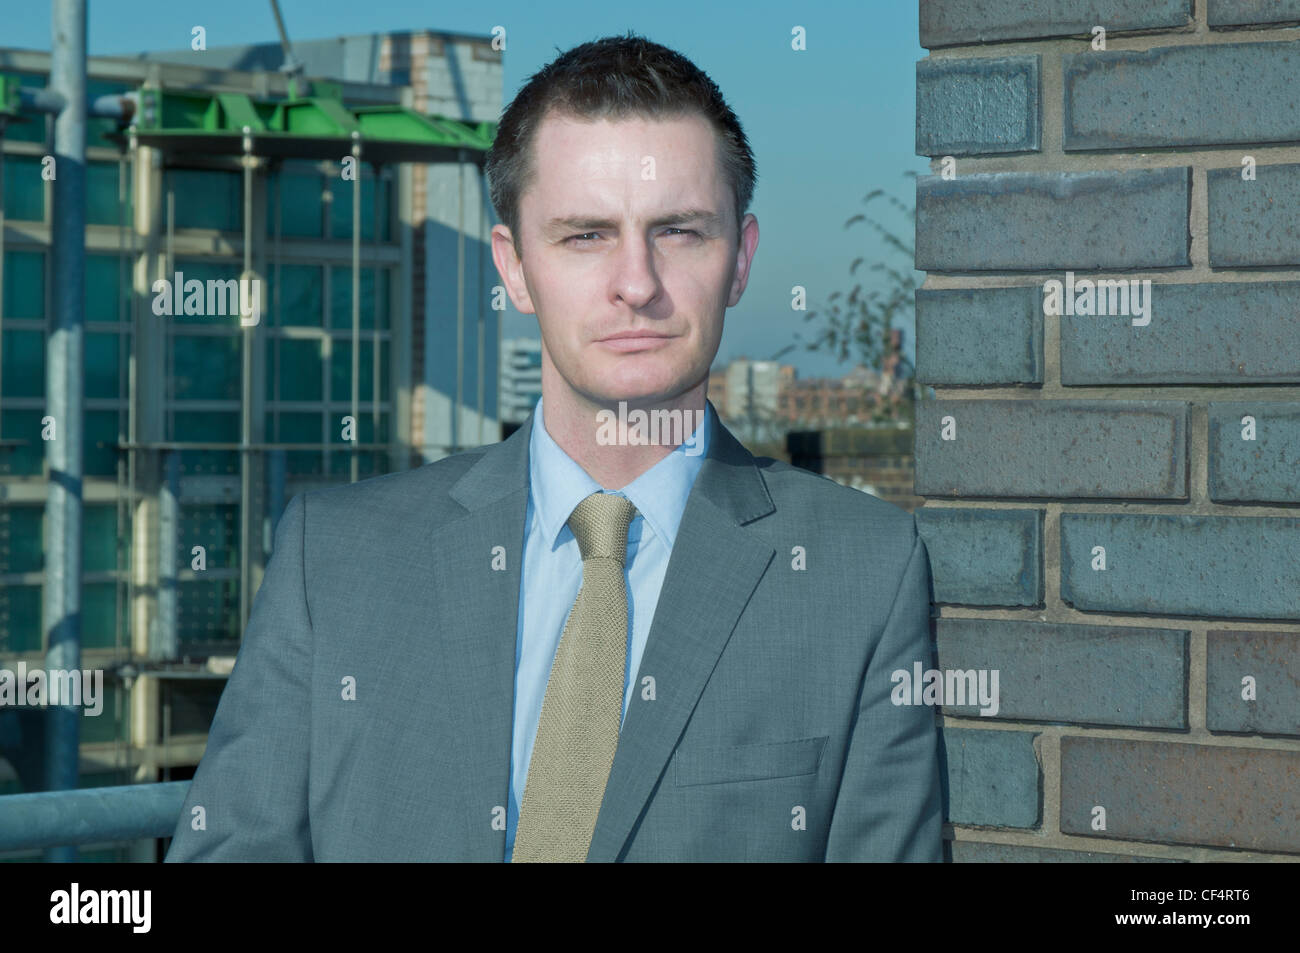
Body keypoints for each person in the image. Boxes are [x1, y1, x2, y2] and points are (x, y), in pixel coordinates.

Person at [165, 31, 942, 863]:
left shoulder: (861, 576)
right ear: (515, 267)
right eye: (585, 236)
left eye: (679, 231)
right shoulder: (336, 560)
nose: (636, 282)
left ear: (741, 260)